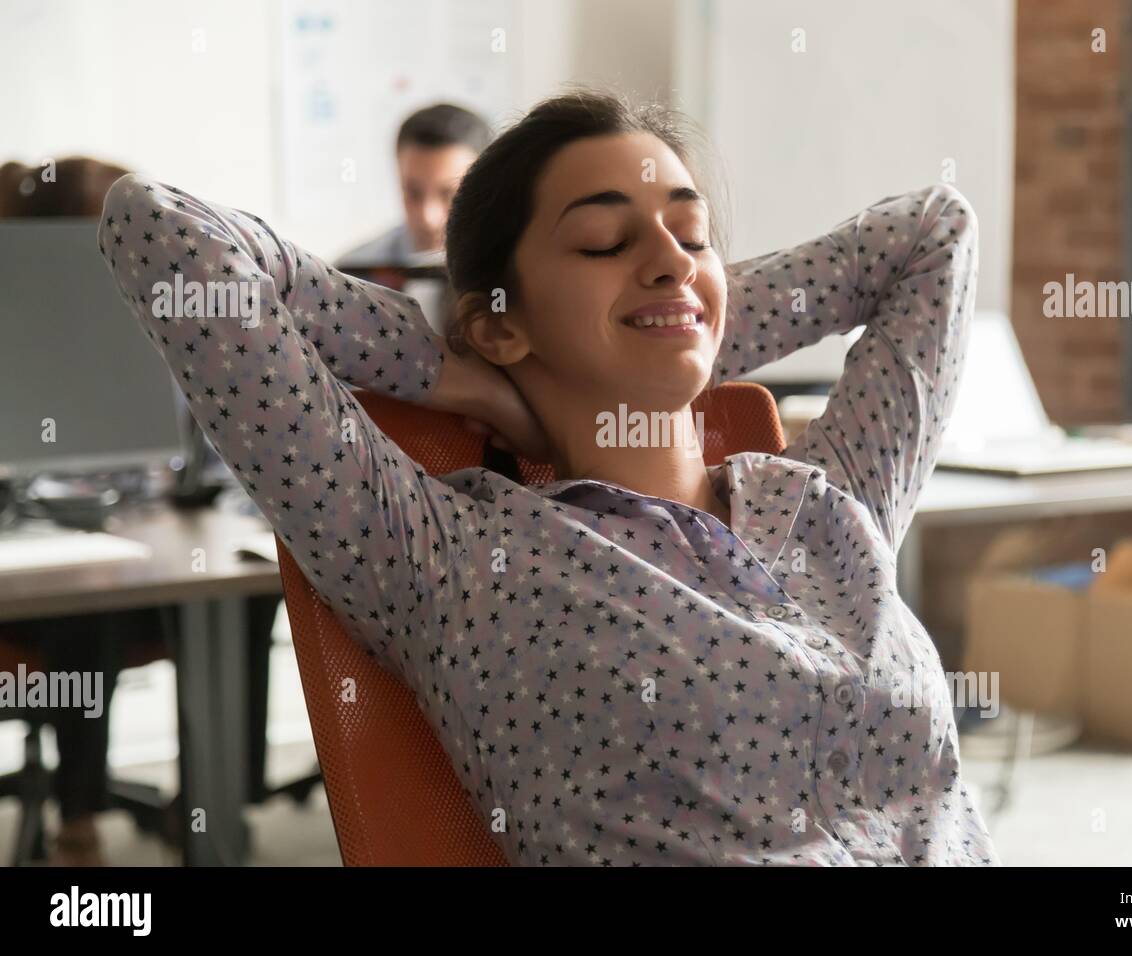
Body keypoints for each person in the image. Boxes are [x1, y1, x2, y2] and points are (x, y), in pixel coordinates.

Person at [97, 87, 999, 866]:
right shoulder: (443, 556)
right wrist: (458, 369)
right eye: (605, 241)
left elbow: (933, 234)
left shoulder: (830, 504)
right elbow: (164, 233)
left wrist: (681, 314)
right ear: (497, 322)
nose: (674, 257)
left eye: (692, 233)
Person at [0, 156, 281, 865]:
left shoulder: (164, 323)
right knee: (89, 596)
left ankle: (217, 799)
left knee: (243, 594)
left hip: (154, 556)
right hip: (36, 584)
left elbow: (218, 456)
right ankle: (79, 809)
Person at [336, 102, 491, 269]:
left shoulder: (512, 273)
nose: (429, 219)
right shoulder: (351, 277)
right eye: (413, 192)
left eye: (450, 194)